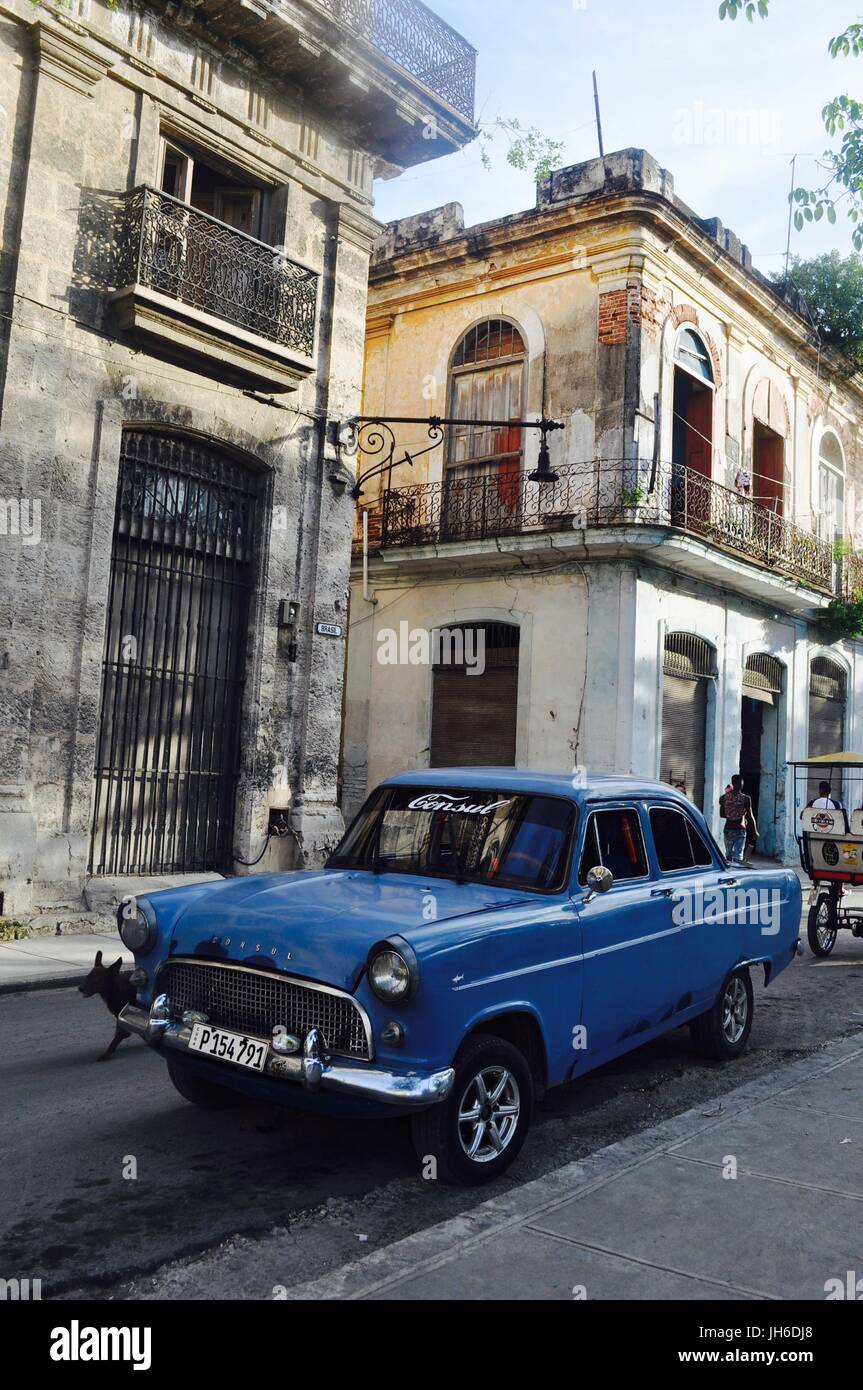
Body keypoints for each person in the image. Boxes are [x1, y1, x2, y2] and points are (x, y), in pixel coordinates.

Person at [719, 774, 757, 865]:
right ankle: (736, 873)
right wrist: (755, 831)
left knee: (728, 855)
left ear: (732, 783)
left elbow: (722, 814)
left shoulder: (723, 798)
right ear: (742, 784)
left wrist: (732, 814)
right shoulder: (746, 799)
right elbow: (750, 817)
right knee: (738, 856)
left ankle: (729, 873)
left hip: (728, 829)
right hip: (740, 829)